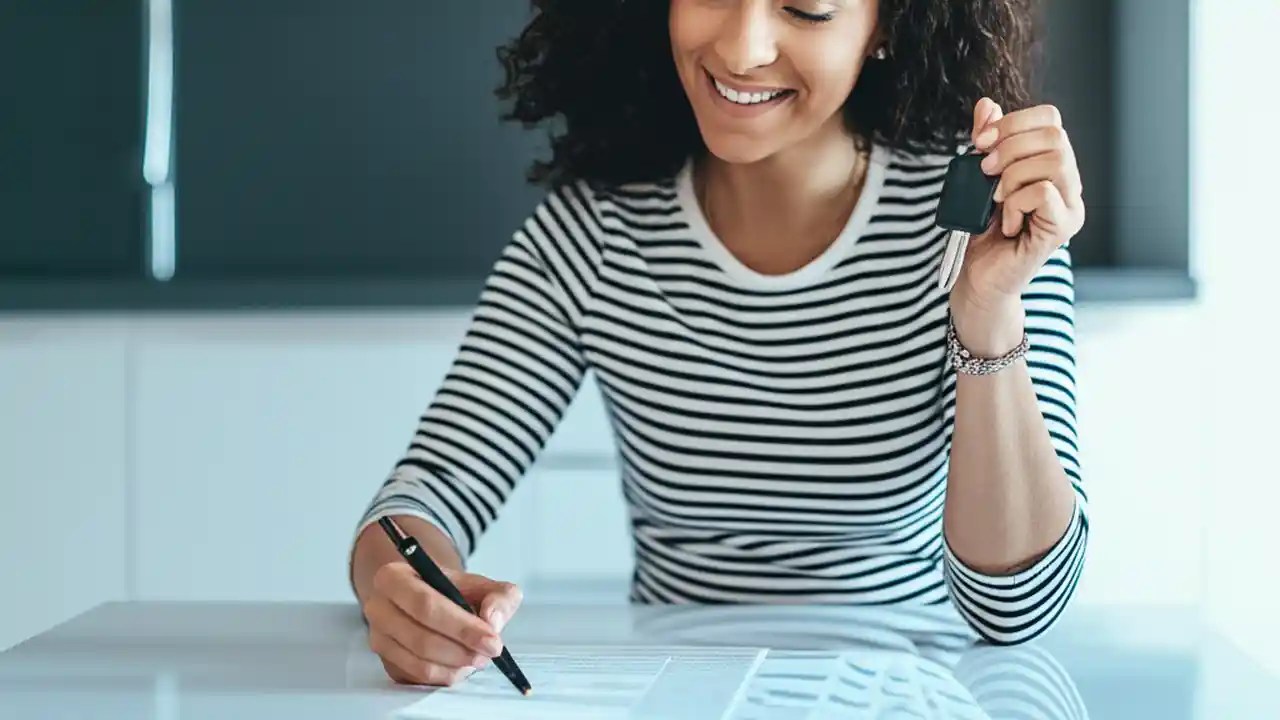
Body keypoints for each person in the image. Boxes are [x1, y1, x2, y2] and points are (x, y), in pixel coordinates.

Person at [350, 0, 1087, 687]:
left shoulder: (984, 229)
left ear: (888, 23)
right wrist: (407, 594)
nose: (742, 47)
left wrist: (987, 311)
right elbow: (418, 502)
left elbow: (1015, 611)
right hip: (678, 690)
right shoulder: (592, 238)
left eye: (805, 7)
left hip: (906, 690)